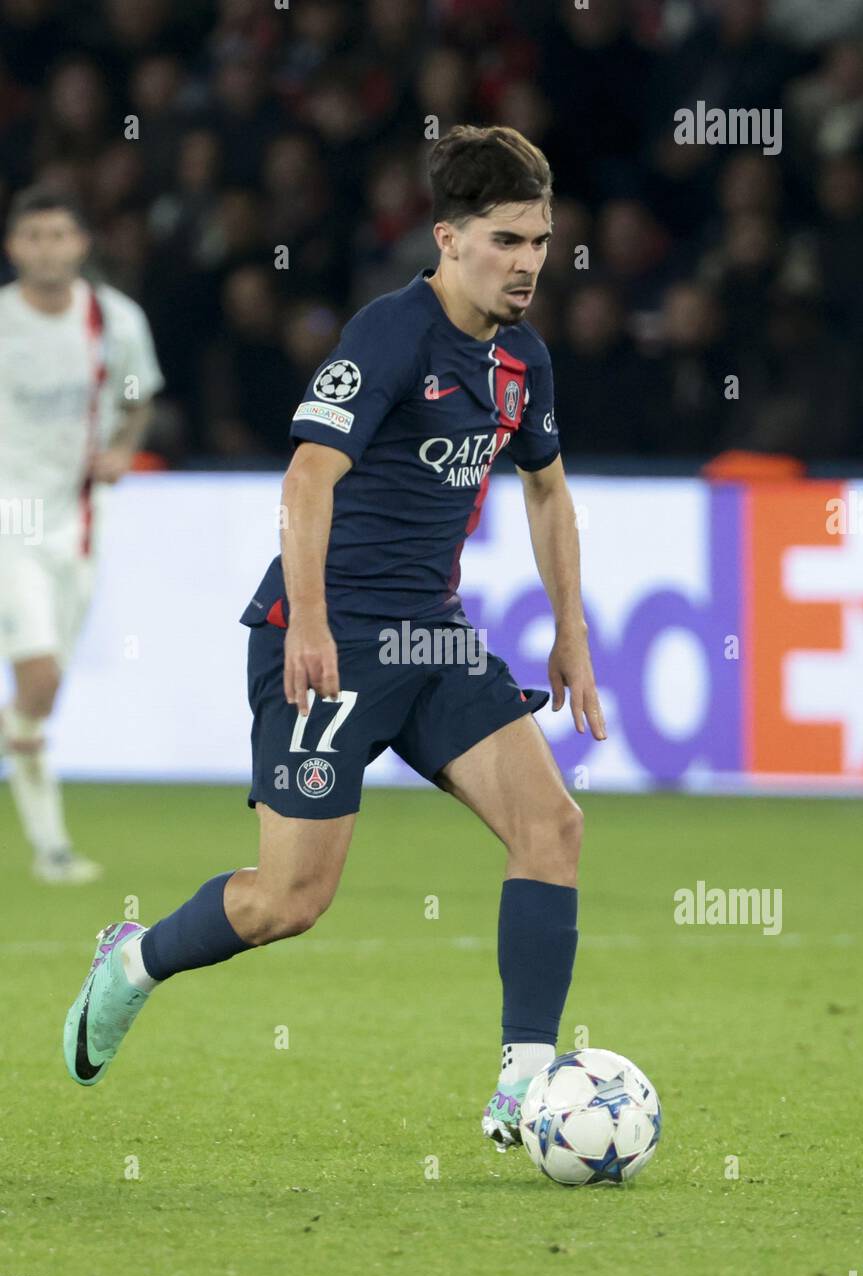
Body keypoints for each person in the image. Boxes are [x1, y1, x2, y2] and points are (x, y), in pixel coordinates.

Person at [63, 126, 606, 1151]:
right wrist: (308, 622)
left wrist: (568, 632)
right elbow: (308, 476)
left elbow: (546, 490)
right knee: (287, 900)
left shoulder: (521, 357)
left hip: (431, 643)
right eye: (506, 238)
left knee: (554, 826)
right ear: (449, 239)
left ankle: (526, 1085)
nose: (529, 260)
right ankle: (134, 960)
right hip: (325, 636)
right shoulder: (389, 334)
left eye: (540, 237)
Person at [0, 187, 164, 882]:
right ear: (14, 248)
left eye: (58, 235)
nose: (46, 248)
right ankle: (53, 846)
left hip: (78, 524)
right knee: (36, 673)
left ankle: (49, 848)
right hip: (9, 519)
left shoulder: (113, 319)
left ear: (80, 244)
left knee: (44, 693)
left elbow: (138, 397)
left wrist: (124, 448)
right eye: (32, 236)